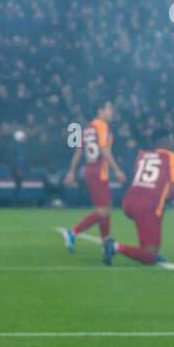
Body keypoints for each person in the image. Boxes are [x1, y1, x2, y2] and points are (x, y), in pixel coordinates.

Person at [104, 128, 174, 269]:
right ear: (163, 141)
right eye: (171, 139)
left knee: (150, 241)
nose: (173, 142)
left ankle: (154, 250)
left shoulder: (142, 155)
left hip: (130, 201)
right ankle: (115, 247)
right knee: (150, 257)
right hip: (148, 206)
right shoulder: (173, 157)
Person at [63, 102, 126, 251]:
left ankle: (105, 242)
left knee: (106, 208)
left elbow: (78, 152)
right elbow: (104, 150)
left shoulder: (86, 128)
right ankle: (73, 232)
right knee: (103, 211)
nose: (112, 111)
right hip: (99, 172)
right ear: (100, 110)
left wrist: (71, 172)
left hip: (90, 170)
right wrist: (117, 170)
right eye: (109, 108)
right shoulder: (102, 126)